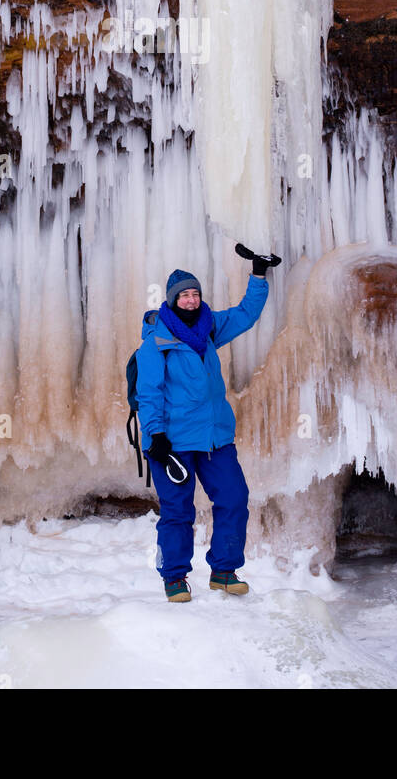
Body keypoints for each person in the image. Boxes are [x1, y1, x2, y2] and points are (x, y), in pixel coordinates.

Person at [135, 251, 278, 602]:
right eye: (184, 295)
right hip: (173, 443)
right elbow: (148, 393)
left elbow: (245, 315)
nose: (191, 300)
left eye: (195, 294)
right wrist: (155, 436)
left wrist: (258, 276)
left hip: (215, 438)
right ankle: (174, 577)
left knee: (234, 498)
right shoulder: (156, 343)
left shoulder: (209, 327)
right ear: (172, 300)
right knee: (177, 511)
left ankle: (225, 572)